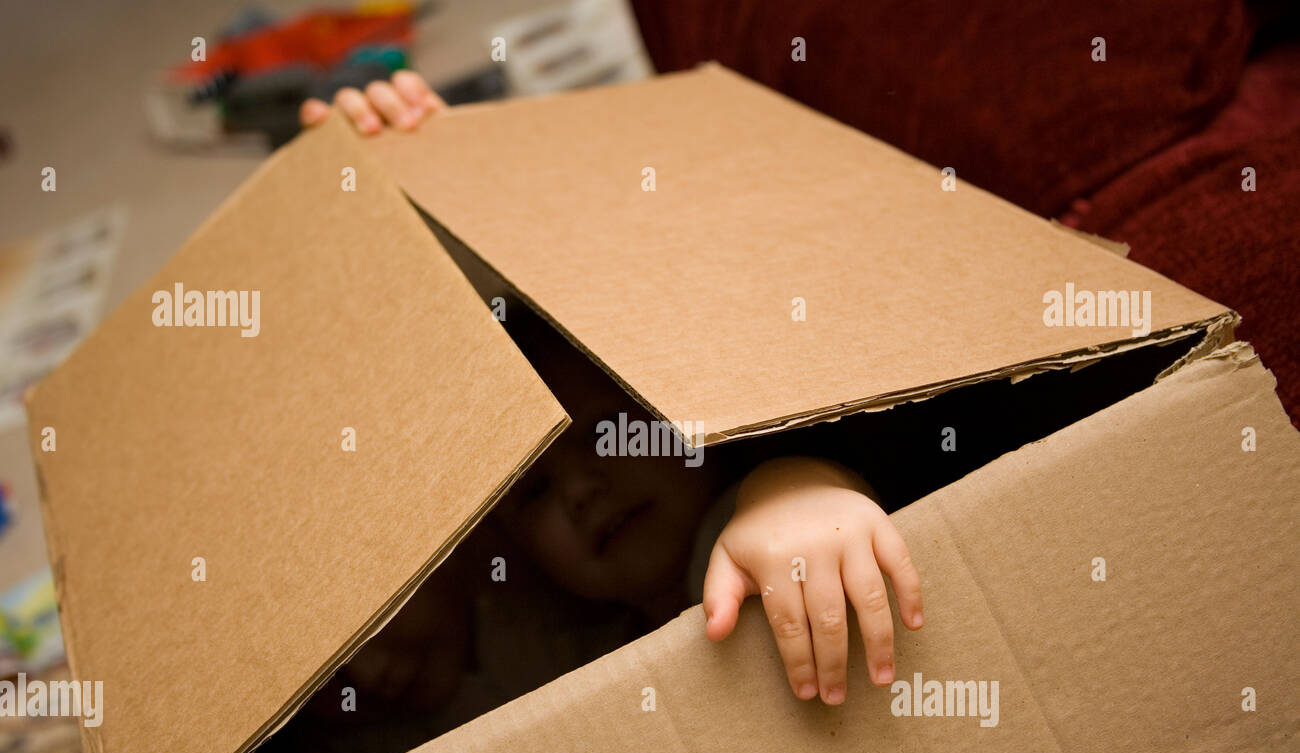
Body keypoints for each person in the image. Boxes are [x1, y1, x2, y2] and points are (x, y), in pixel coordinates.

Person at [302, 73, 924, 720]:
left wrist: (795, 496)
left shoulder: (737, 522)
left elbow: (768, 512)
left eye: (606, 431)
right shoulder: (563, 652)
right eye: (533, 492)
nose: (579, 490)